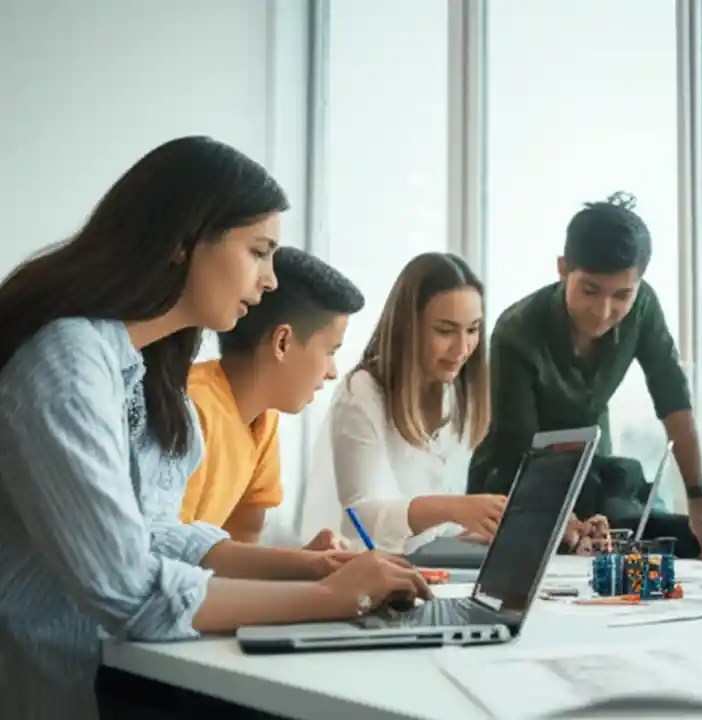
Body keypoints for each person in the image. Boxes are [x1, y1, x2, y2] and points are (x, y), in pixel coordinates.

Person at [0, 137, 429, 718]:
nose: (272, 280)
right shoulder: (67, 364)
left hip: (109, 677)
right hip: (58, 686)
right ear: (182, 242)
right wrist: (333, 597)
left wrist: (307, 567)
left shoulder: (138, 367)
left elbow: (154, 533)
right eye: (259, 251)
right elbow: (132, 592)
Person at [468, 192, 702, 560]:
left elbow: (673, 400)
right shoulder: (517, 330)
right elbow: (517, 444)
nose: (603, 311)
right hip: (514, 480)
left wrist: (698, 500)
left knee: (649, 530)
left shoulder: (643, 306)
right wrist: (566, 523)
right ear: (563, 269)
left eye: (621, 295)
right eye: (589, 290)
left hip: (592, 475)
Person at [303, 252, 508, 554]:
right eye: (445, 330)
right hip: (355, 573)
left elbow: (432, 529)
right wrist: (454, 509)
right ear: (408, 327)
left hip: (423, 568)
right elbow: (361, 519)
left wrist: (479, 527)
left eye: (473, 329)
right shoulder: (362, 393)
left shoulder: (456, 396)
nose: (462, 348)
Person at [180, 246, 364, 551]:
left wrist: (309, 562)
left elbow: (240, 548)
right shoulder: (190, 413)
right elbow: (167, 565)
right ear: (282, 342)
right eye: (331, 351)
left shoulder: (262, 419)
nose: (333, 372)